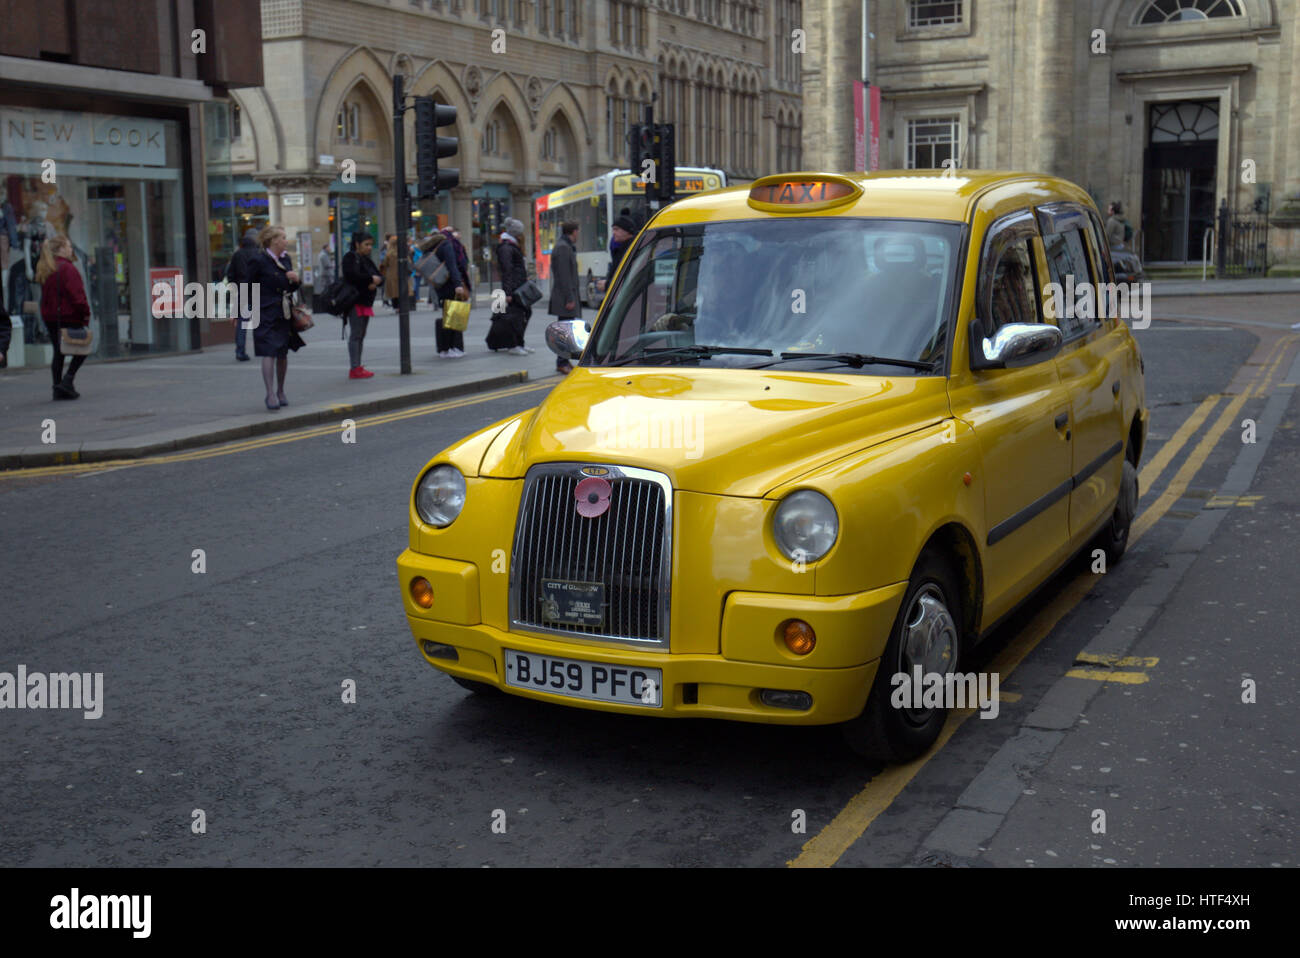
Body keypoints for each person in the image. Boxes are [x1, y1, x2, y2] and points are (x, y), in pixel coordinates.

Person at [246, 225, 301, 410]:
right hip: (263, 312)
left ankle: (281, 390)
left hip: (283, 312)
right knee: (268, 351)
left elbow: (290, 288)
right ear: (274, 240)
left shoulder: (286, 260)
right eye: (283, 237)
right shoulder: (259, 260)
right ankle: (270, 394)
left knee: (282, 353)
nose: (286, 241)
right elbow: (246, 286)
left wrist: (295, 281)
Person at [35, 234, 90, 399]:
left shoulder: (47, 268)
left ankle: (57, 387)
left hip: (51, 317)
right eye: (68, 246)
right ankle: (67, 380)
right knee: (82, 348)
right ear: (60, 249)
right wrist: (85, 314)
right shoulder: (68, 268)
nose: (70, 249)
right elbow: (77, 296)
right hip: (69, 315)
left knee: (59, 352)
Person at [420, 231, 468, 358]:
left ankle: (444, 349)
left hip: (439, 285)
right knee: (454, 318)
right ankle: (454, 348)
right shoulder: (446, 245)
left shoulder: (431, 247)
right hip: (450, 284)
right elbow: (452, 266)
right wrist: (458, 284)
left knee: (447, 316)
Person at [341, 230, 382, 379]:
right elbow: (351, 276)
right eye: (366, 244)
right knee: (356, 334)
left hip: (366, 302)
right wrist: (370, 280)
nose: (369, 247)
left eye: (371, 244)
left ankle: (358, 365)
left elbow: (380, 276)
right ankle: (355, 367)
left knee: (361, 334)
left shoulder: (366, 259)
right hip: (355, 301)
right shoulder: (350, 258)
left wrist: (374, 280)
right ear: (357, 244)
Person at [492, 217, 532, 356]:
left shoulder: (512, 245)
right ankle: (513, 344)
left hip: (518, 286)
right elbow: (507, 271)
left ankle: (519, 343)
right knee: (516, 316)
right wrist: (507, 292)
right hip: (514, 288)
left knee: (524, 313)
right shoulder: (507, 247)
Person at [548, 219, 581, 375]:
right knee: (564, 332)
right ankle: (562, 362)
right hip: (564, 298)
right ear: (574, 231)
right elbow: (564, 275)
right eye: (578, 231)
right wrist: (569, 298)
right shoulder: (563, 248)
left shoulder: (565, 246)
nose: (578, 234)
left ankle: (564, 361)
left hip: (566, 296)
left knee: (566, 330)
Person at [225, 227, 260, 361]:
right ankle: (261, 348)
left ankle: (240, 351)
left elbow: (230, 273)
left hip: (243, 291)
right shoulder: (259, 253)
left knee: (242, 323)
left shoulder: (237, 254)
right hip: (257, 290)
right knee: (261, 322)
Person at [605, 215, 636, 292]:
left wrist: (607, 285)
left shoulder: (632, 249)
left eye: (616, 229)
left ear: (627, 231)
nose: (613, 233)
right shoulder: (621, 248)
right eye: (613, 230)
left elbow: (625, 277)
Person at [380, 234, 399, 309]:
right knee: (399, 290)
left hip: (391, 274)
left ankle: (395, 307)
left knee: (393, 291)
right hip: (399, 274)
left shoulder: (389, 253)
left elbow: (384, 263)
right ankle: (399, 306)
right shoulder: (401, 253)